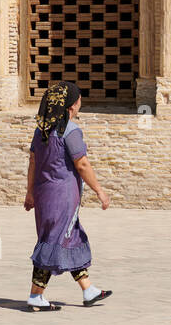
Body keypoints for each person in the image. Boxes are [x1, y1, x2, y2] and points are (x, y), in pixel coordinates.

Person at [24, 80, 112, 312]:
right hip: (62, 196)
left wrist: (30, 192)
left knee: (69, 237)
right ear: (71, 105)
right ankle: (36, 295)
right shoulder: (70, 131)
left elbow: (33, 161)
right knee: (54, 240)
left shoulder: (40, 130)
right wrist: (100, 192)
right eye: (79, 98)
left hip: (44, 193)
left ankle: (88, 289)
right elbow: (82, 164)